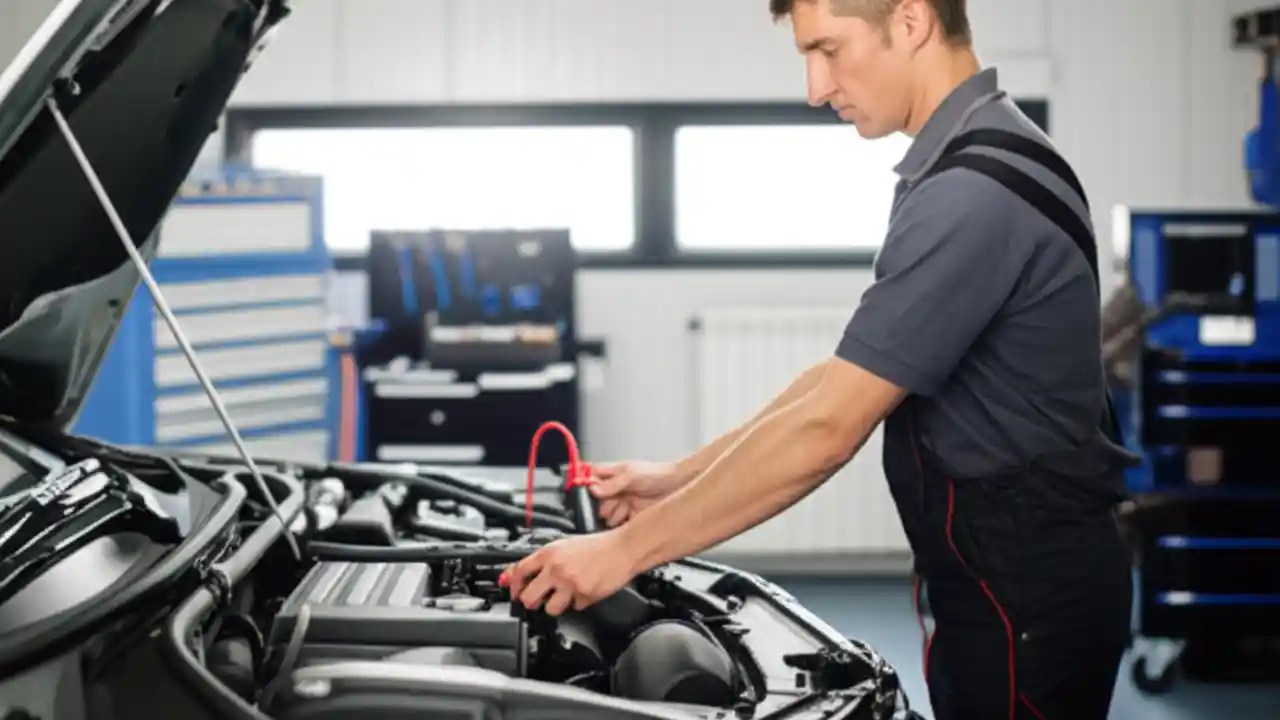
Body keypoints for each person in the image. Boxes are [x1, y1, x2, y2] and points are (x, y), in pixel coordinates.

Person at [501, 1, 1134, 718]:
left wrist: (620, 553)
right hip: (999, 573)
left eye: (829, 49)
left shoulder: (971, 193)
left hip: (1026, 592)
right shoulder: (976, 155)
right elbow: (843, 378)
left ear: (912, 19)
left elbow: (828, 428)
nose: (814, 85)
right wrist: (677, 478)